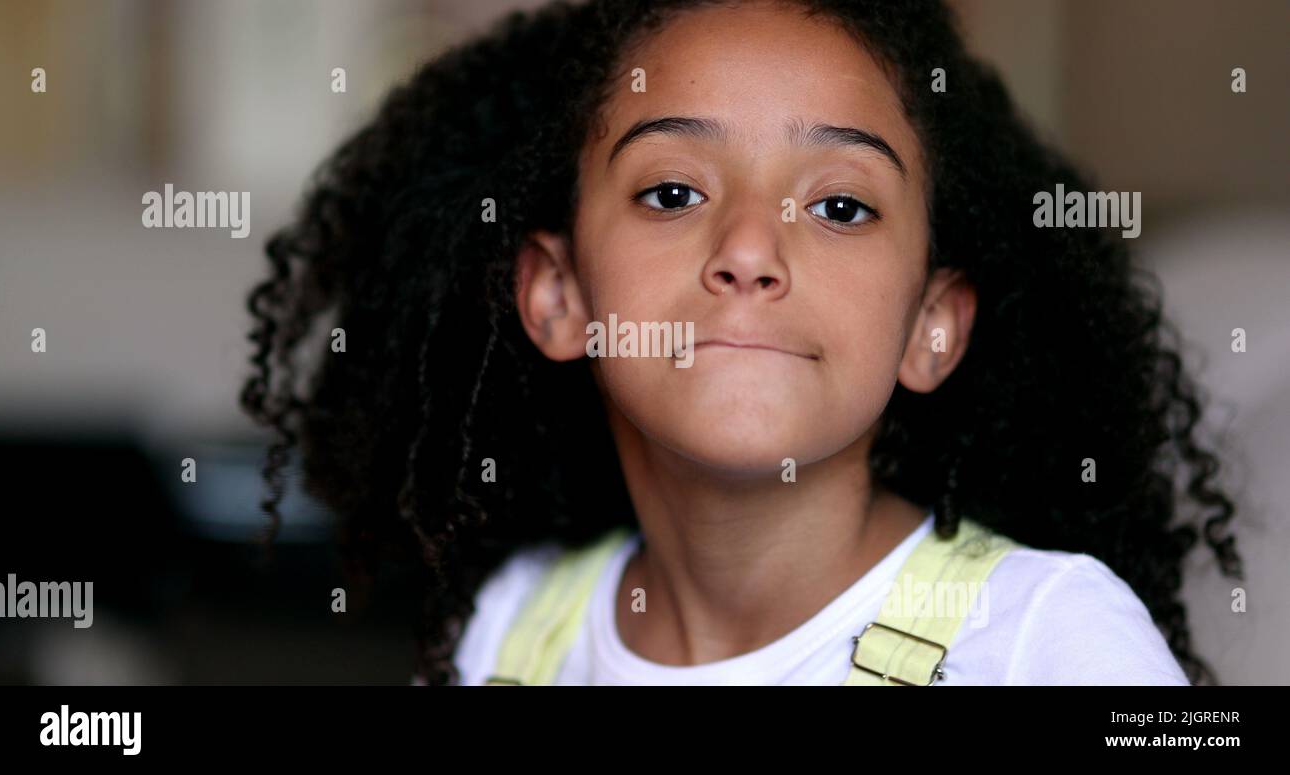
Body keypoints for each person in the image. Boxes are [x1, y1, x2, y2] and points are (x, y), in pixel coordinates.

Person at [241, 0, 1242, 685]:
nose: (752, 250)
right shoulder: (513, 630)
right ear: (556, 295)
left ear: (932, 325)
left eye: (841, 205)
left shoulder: (1044, 639)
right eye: (672, 192)